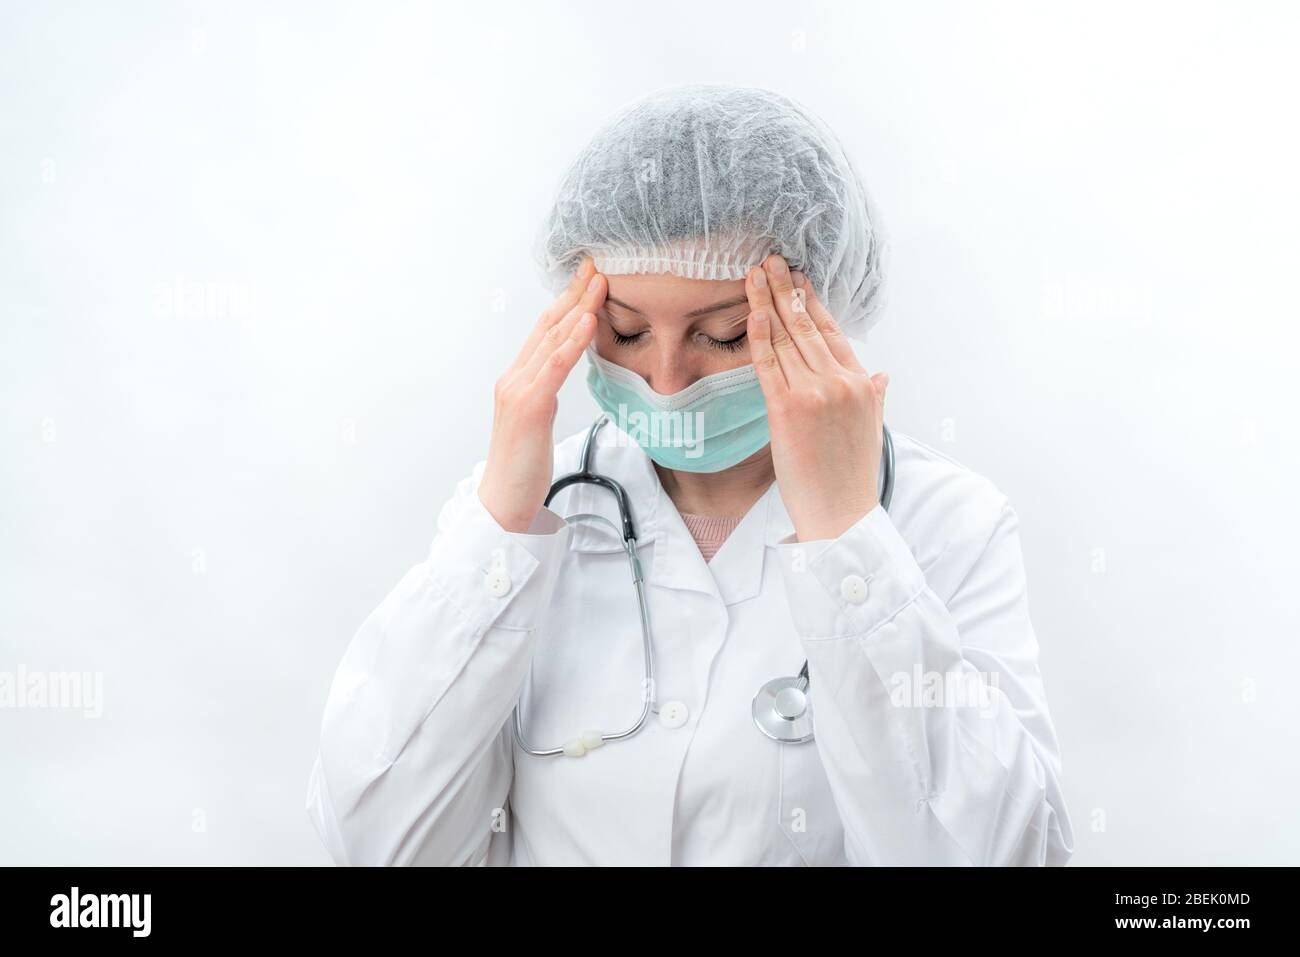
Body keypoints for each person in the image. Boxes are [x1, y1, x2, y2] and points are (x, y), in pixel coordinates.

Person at [304, 83, 1075, 866]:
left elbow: (1009, 855)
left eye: (726, 334)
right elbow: (377, 847)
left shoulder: (943, 521)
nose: (667, 381)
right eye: (627, 330)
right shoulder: (521, 517)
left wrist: (849, 542)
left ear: (824, 315)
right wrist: (496, 533)